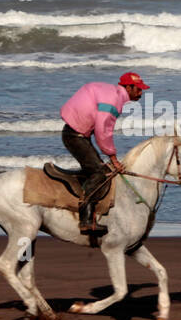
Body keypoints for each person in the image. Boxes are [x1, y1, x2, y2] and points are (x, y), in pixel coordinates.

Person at [59, 72, 149, 233]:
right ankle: (85, 220)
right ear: (128, 87)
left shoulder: (112, 93)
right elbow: (102, 130)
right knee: (99, 172)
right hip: (75, 135)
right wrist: (113, 157)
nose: (141, 93)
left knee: (96, 167)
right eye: (138, 89)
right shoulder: (114, 101)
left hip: (77, 132)